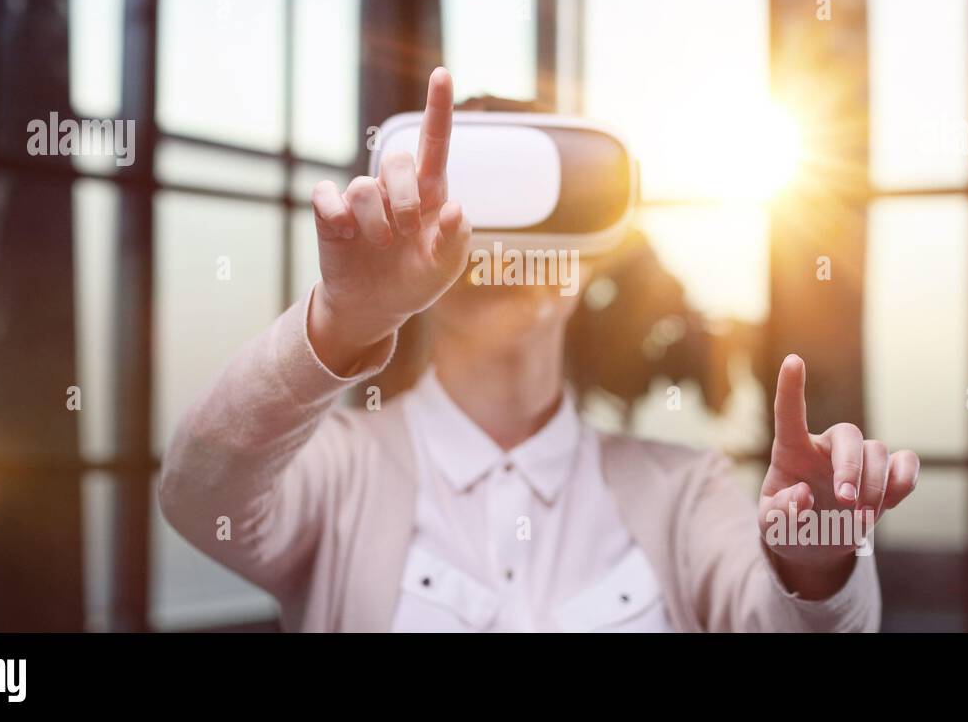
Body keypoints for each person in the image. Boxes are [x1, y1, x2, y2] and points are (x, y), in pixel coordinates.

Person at [159, 67, 921, 632]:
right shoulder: (339, 471)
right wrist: (342, 319)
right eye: (478, 198)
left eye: (542, 200)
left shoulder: (684, 491)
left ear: (592, 252)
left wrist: (814, 562)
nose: (507, 239)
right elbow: (201, 494)